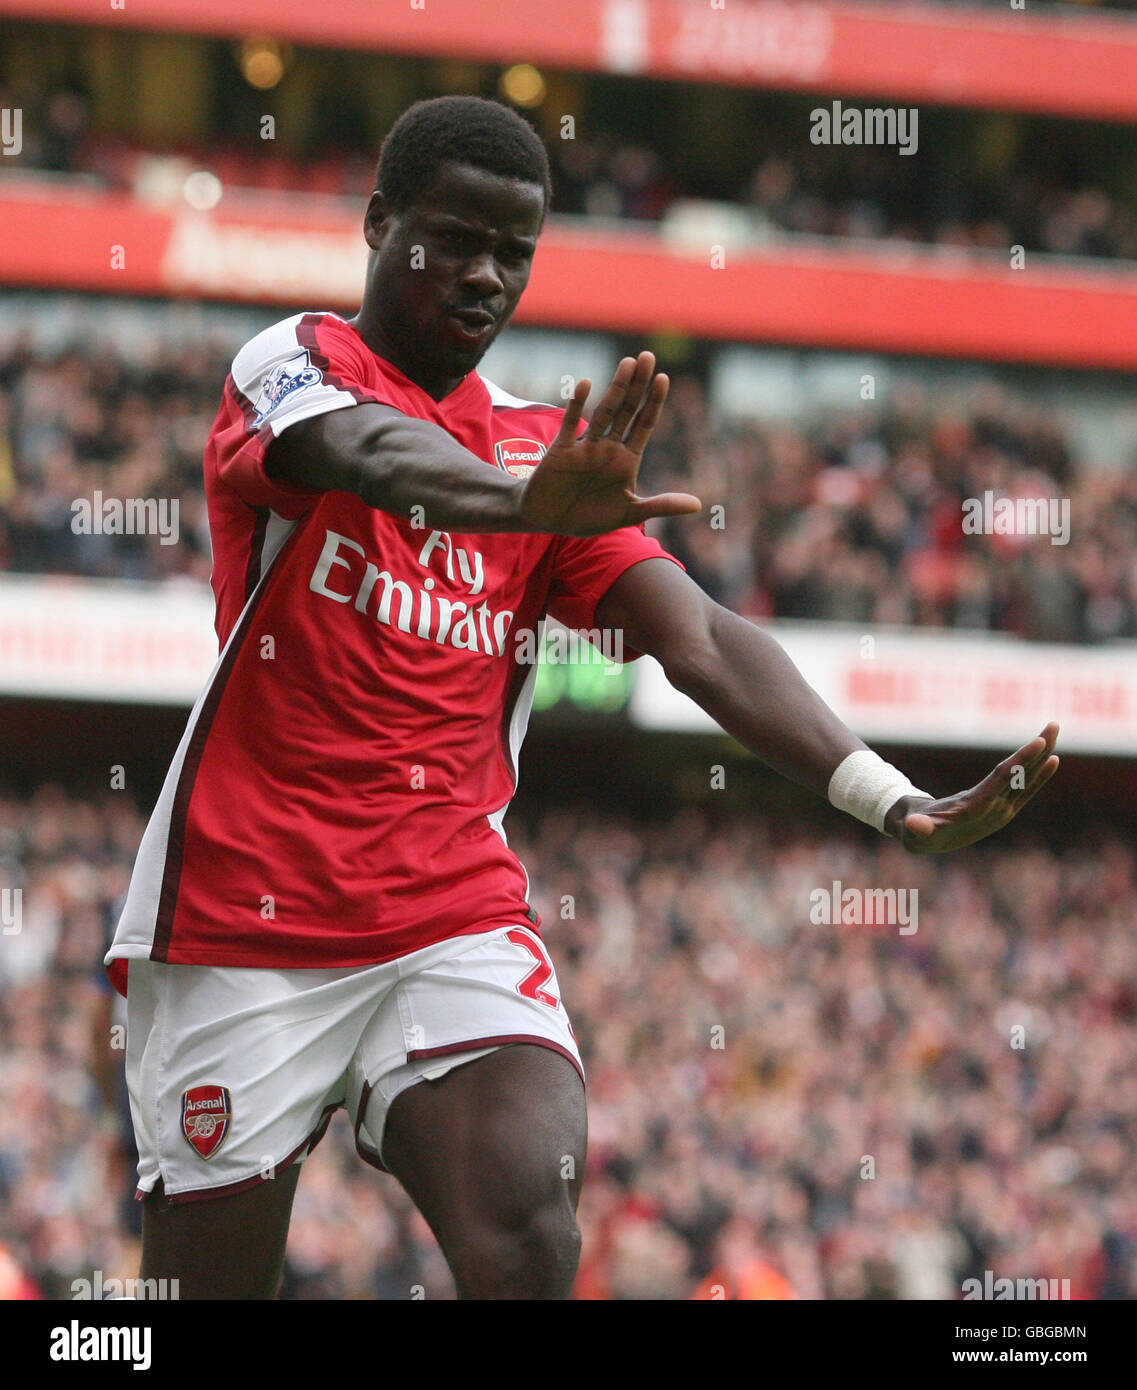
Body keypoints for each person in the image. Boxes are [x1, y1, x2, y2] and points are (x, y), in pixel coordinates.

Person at [105, 95, 1059, 1299]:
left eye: (515, 253)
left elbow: (700, 636)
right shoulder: (297, 363)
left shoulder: (533, 452)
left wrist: (889, 797)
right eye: (454, 238)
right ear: (378, 221)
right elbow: (361, 454)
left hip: (446, 907)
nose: (485, 278)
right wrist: (523, 508)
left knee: (531, 1224)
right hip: (246, 915)